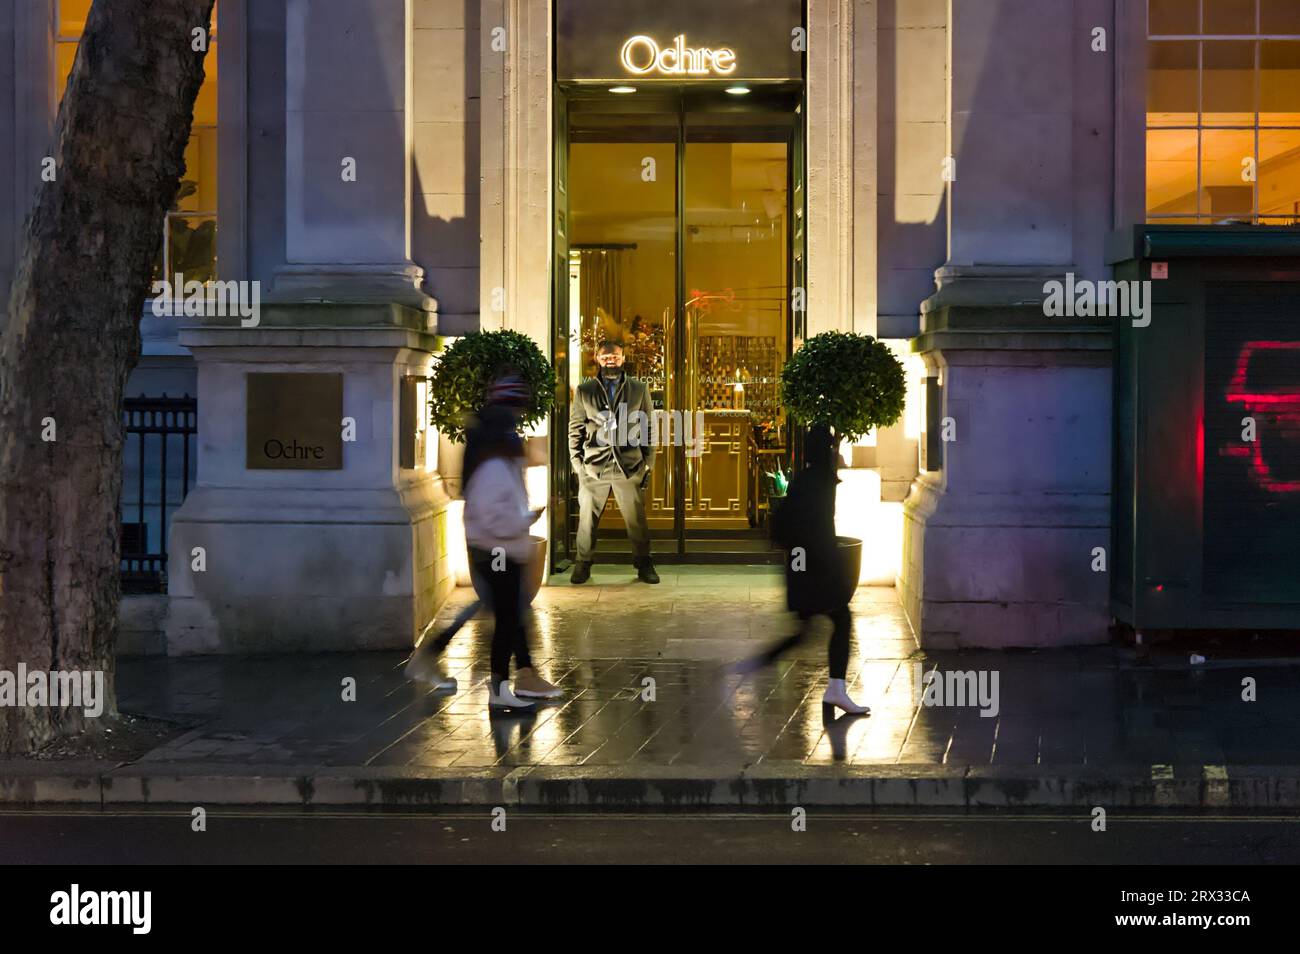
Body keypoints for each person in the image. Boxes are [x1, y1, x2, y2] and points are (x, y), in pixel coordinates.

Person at [404, 374, 562, 706]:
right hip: (496, 547)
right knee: (508, 615)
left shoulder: (490, 446)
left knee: (506, 610)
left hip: (492, 545)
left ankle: (518, 678)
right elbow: (492, 509)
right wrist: (523, 520)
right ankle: (503, 687)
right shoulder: (495, 455)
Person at [732, 424, 869, 715]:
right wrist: (824, 568)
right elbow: (815, 531)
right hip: (816, 570)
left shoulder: (808, 480)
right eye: (832, 447)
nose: (836, 451)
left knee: (806, 631)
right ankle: (834, 688)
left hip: (805, 570)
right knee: (838, 621)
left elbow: (788, 528)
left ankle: (756, 666)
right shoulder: (818, 482)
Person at [567, 340, 659, 584]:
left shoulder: (639, 389)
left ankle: (644, 563)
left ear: (623, 358)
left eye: (615, 356)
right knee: (586, 520)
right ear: (597, 358)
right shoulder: (585, 391)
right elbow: (575, 429)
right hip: (594, 466)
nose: (610, 360)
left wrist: (648, 461)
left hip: (629, 465)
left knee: (636, 520)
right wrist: (577, 465)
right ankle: (583, 564)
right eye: (606, 356)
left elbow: (648, 426)